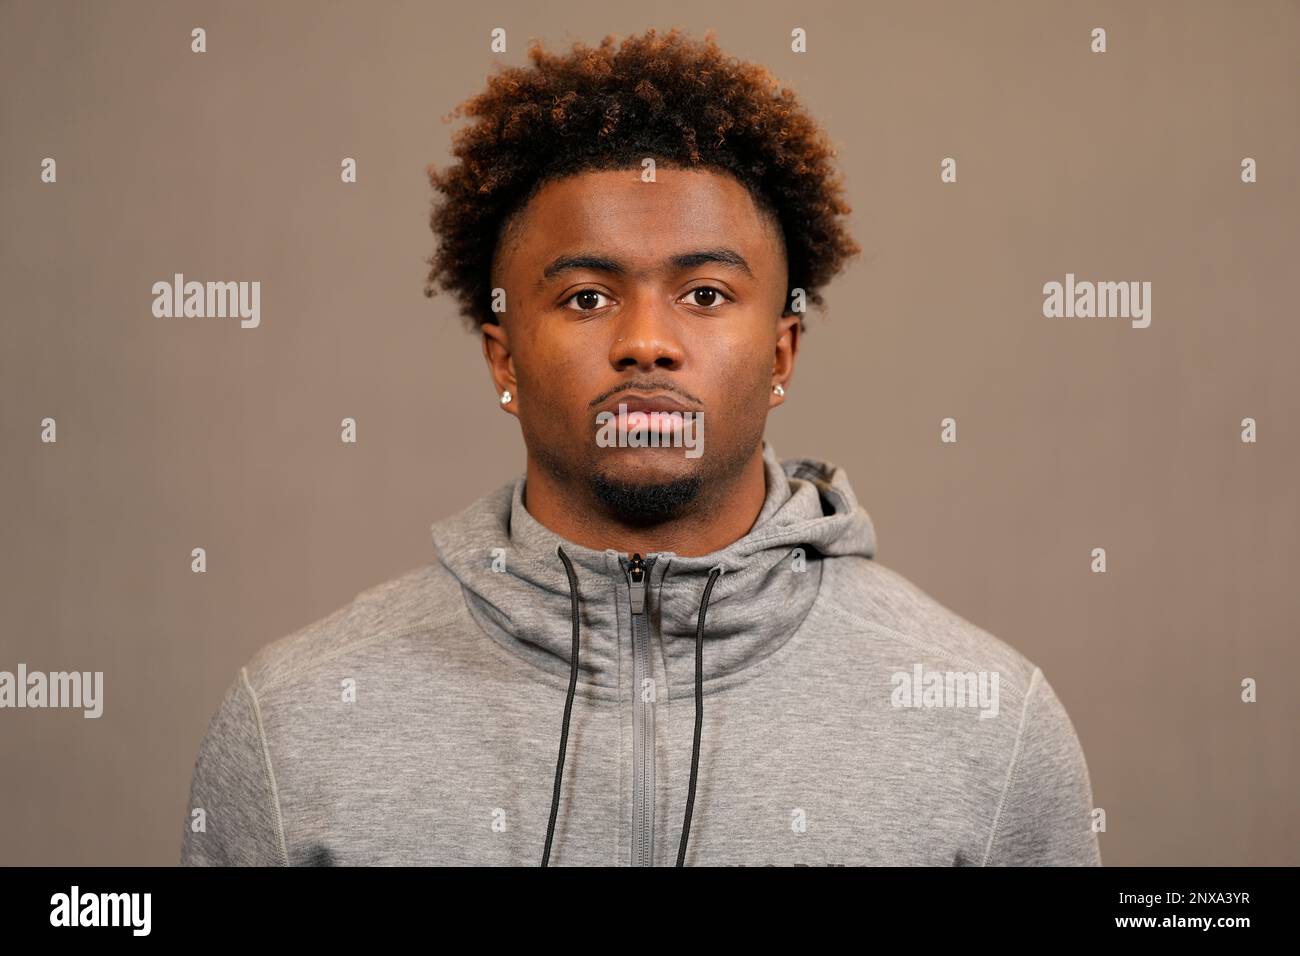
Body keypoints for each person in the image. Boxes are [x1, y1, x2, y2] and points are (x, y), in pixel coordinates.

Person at [181, 27, 1101, 867]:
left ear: (782, 353)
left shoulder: (986, 720)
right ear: (503, 357)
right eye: (586, 296)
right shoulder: (295, 724)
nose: (646, 342)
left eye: (705, 294)